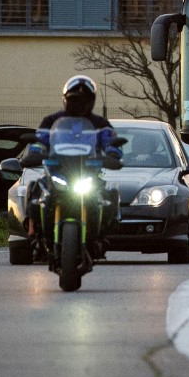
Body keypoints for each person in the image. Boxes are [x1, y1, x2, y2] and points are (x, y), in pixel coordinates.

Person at [24, 75, 121, 256]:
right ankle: (36, 233)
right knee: (36, 191)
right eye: (75, 99)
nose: (79, 103)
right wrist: (35, 152)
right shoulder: (51, 121)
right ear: (66, 99)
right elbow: (39, 141)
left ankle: (101, 235)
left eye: (84, 99)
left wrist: (113, 153)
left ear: (91, 101)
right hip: (57, 170)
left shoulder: (100, 123)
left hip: (88, 172)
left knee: (108, 195)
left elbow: (110, 141)